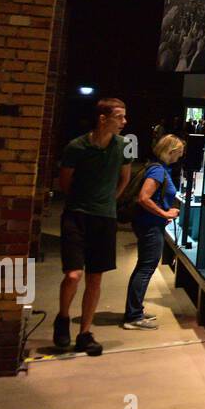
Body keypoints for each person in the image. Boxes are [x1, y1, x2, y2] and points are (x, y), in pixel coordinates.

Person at [56, 97, 132, 355]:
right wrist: (81, 201)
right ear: (103, 118)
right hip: (76, 214)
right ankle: (63, 317)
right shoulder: (76, 147)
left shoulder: (123, 146)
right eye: (119, 117)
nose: (124, 122)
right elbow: (65, 182)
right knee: (73, 274)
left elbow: (125, 177)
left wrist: (111, 199)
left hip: (104, 217)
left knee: (95, 278)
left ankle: (85, 332)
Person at [123, 135, 184, 330]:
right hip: (149, 225)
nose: (181, 156)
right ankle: (133, 316)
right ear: (172, 151)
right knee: (146, 267)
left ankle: (134, 310)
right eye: (179, 152)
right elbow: (144, 198)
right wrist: (164, 212)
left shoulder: (158, 168)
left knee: (144, 266)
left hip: (149, 223)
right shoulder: (158, 171)